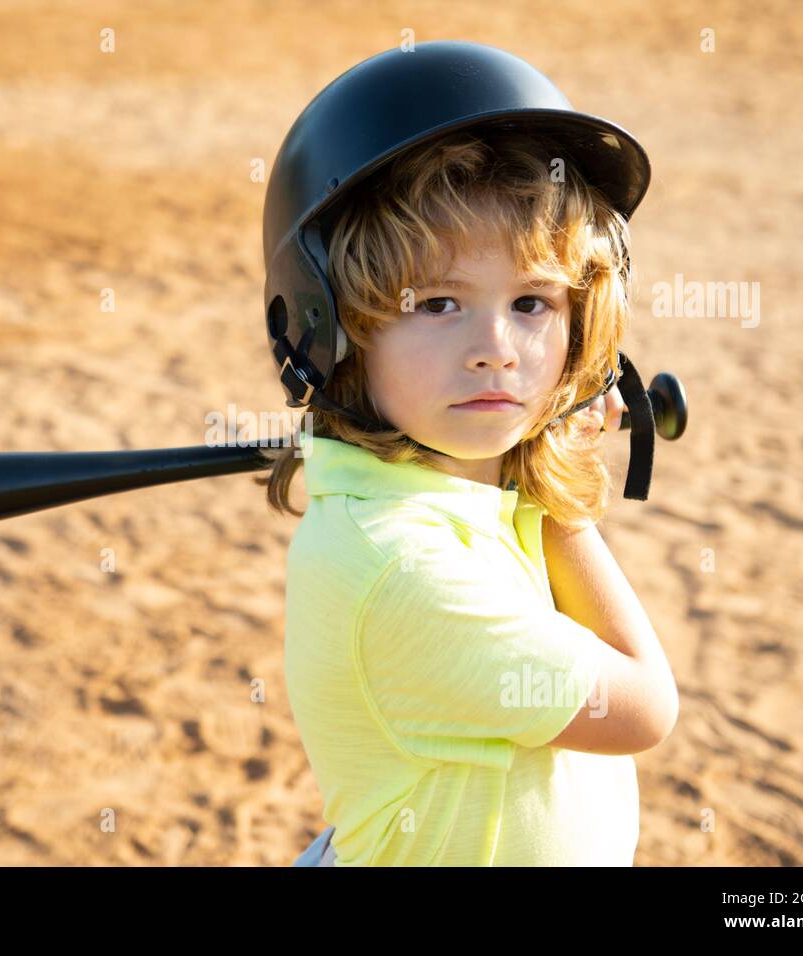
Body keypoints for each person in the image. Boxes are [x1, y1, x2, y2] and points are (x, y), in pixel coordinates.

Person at [260, 43, 680, 866]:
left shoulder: (445, 491)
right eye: (439, 302)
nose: (496, 349)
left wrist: (534, 465)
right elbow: (646, 708)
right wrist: (560, 491)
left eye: (532, 301)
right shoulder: (401, 568)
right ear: (328, 327)